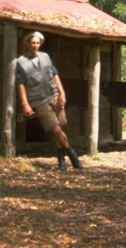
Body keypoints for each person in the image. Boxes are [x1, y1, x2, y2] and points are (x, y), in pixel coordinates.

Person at [16, 31, 83, 171]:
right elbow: (20, 84)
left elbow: (55, 75)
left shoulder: (45, 56)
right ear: (27, 43)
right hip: (39, 100)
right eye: (33, 43)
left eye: (37, 43)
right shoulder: (20, 62)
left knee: (58, 130)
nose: (35, 46)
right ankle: (72, 155)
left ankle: (61, 161)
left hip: (54, 95)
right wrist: (25, 103)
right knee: (56, 129)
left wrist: (62, 93)